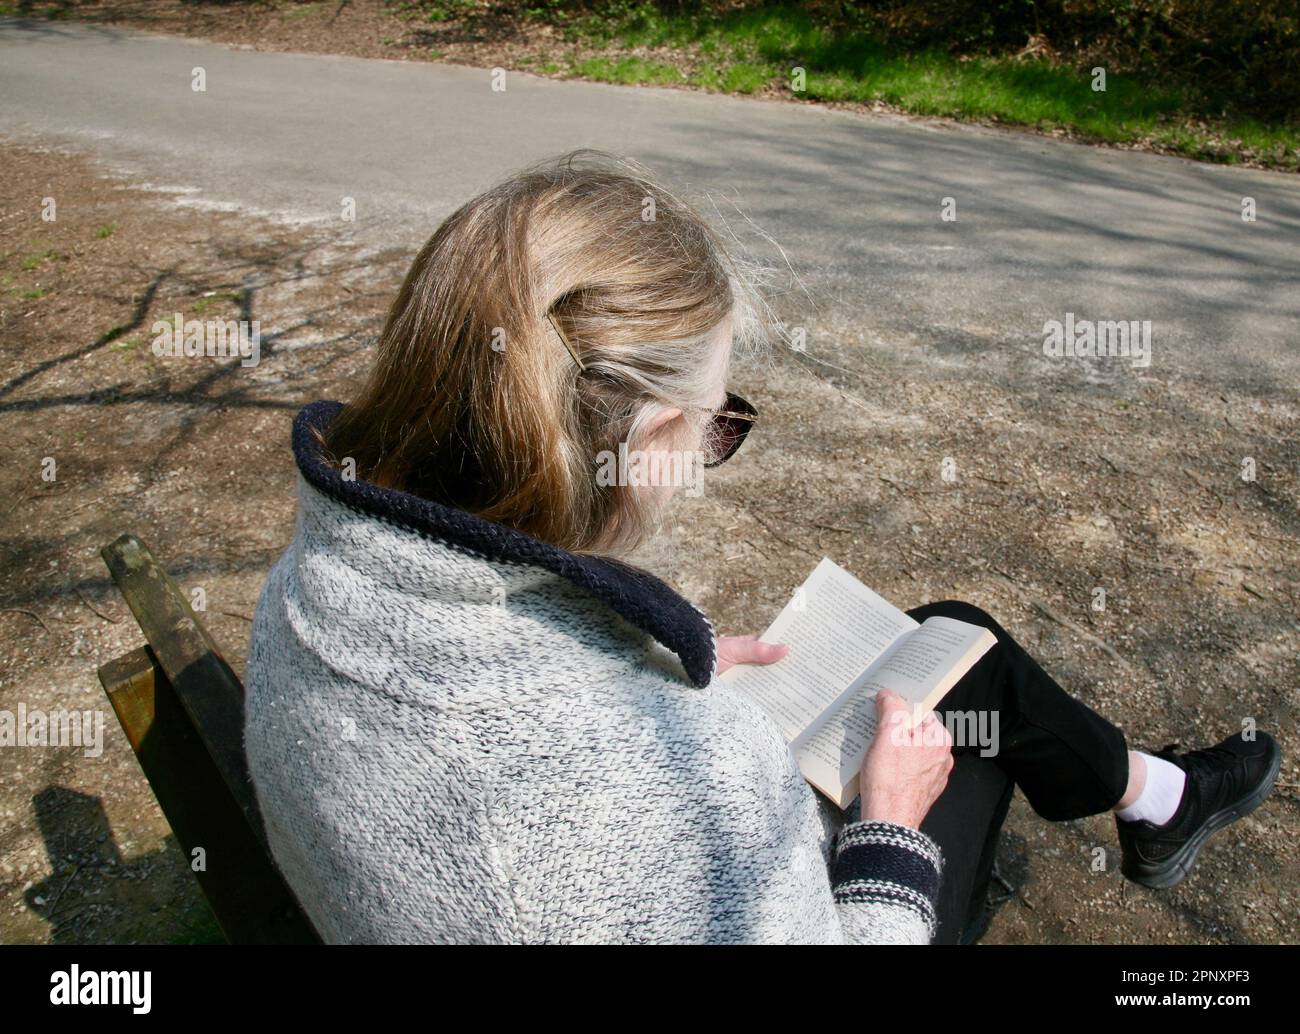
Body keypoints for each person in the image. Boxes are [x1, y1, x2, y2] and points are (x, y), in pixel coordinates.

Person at [242, 149, 1281, 944]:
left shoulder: (308, 589)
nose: (713, 446)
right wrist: (886, 831)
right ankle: (1158, 798)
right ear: (649, 437)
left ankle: (1156, 796)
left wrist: (640, 660)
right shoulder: (677, 772)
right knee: (962, 668)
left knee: (951, 646)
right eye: (719, 421)